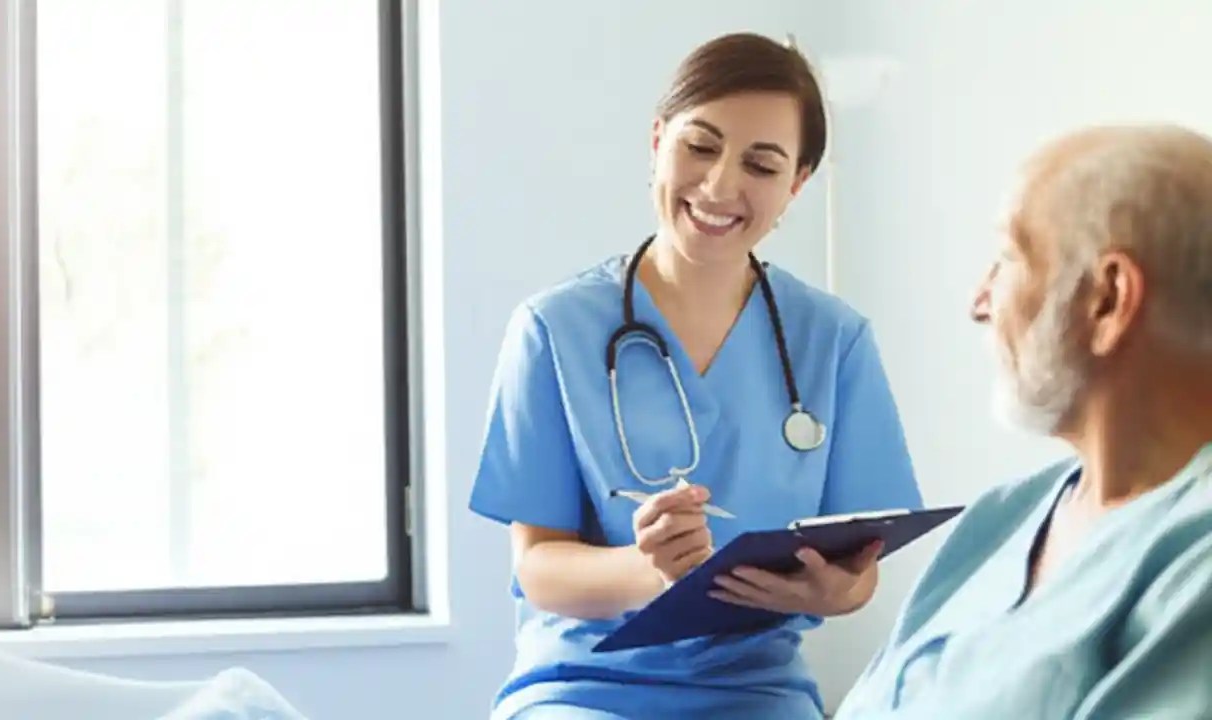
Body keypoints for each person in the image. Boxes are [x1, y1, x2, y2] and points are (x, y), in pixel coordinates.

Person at [468, 32, 923, 720]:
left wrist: (832, 593)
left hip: (758, 690)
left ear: (797, 184)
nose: (719, 186)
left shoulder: (835, 341)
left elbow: (858, 572)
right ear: (658, 142)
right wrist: (649, 569)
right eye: (700, 146)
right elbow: (537, 568)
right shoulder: (553, 330)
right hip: (582, 687)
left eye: (761, 165)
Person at [834, 124, 1212, 719]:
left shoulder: (1194, 562)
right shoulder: (1004, 515)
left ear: (1107, 300)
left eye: (1008, 258)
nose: (979, 301)